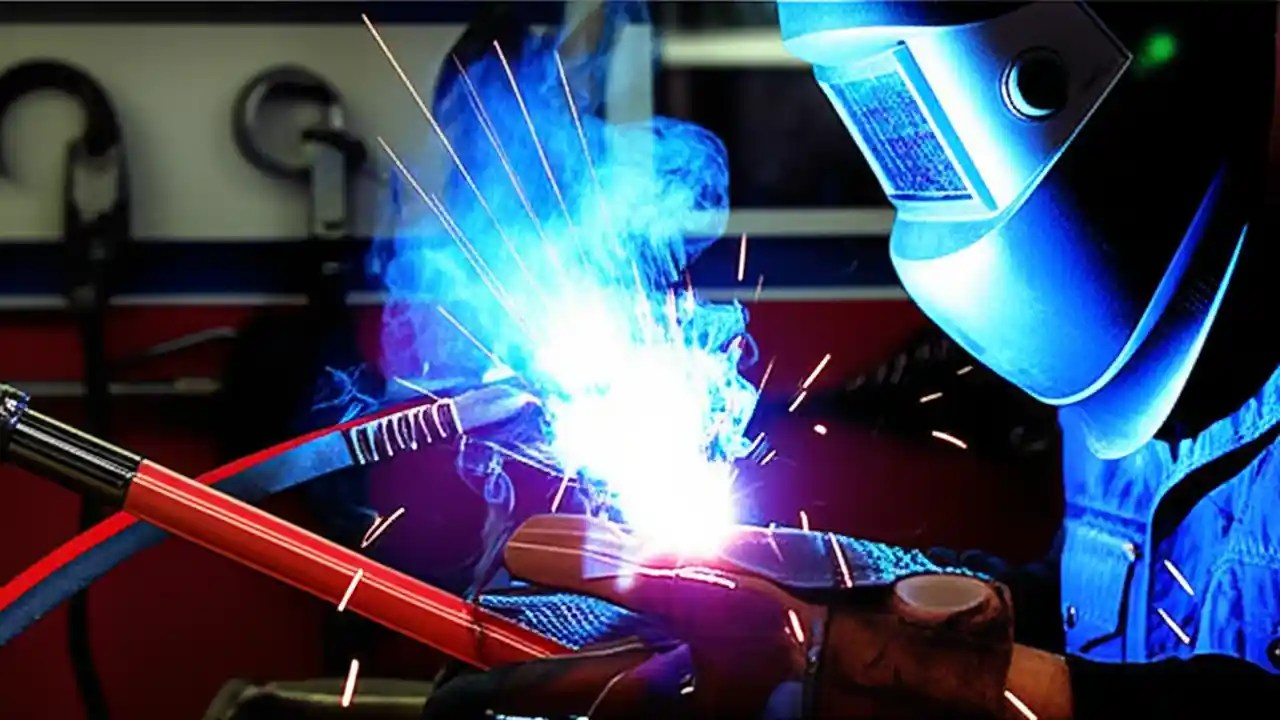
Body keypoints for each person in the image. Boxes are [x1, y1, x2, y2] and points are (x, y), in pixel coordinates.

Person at [421, 2, 1280, 717]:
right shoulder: (1125, 314)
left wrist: (972, 685)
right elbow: (1121, 621)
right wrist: (873, 598)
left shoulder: (1128, 265)